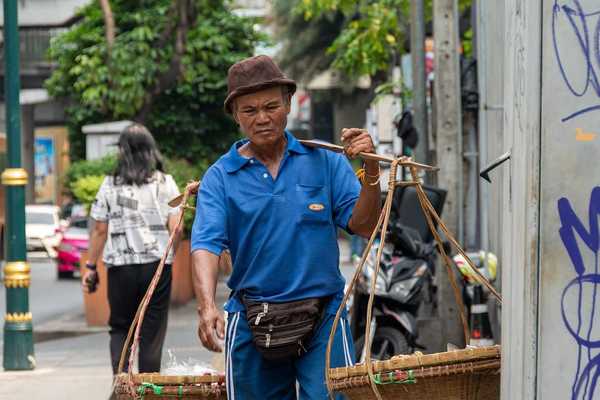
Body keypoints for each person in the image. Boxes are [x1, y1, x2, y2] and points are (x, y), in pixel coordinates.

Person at [191, 55, 381, 399]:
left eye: (271, 106)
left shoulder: (325, 160)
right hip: (252, 317)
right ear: (235, 114)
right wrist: (206, 305)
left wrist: (371, 170)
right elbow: (206, 243)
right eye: (249, 110)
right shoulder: (220, 177)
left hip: (323, 315)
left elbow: (365, 226)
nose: (262, 118)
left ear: (288, 104)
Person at [82, 123, 182, 374]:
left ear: (122, 151)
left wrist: (91, 267)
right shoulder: (166, 182)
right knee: (152, 330)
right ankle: (148, 390)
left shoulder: (109, 185)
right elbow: (177, 228)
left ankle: (122, 388)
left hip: (120, 269)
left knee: (120, 327)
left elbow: (100, 230)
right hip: (157, 268)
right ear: (151, 150)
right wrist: (170, 256)